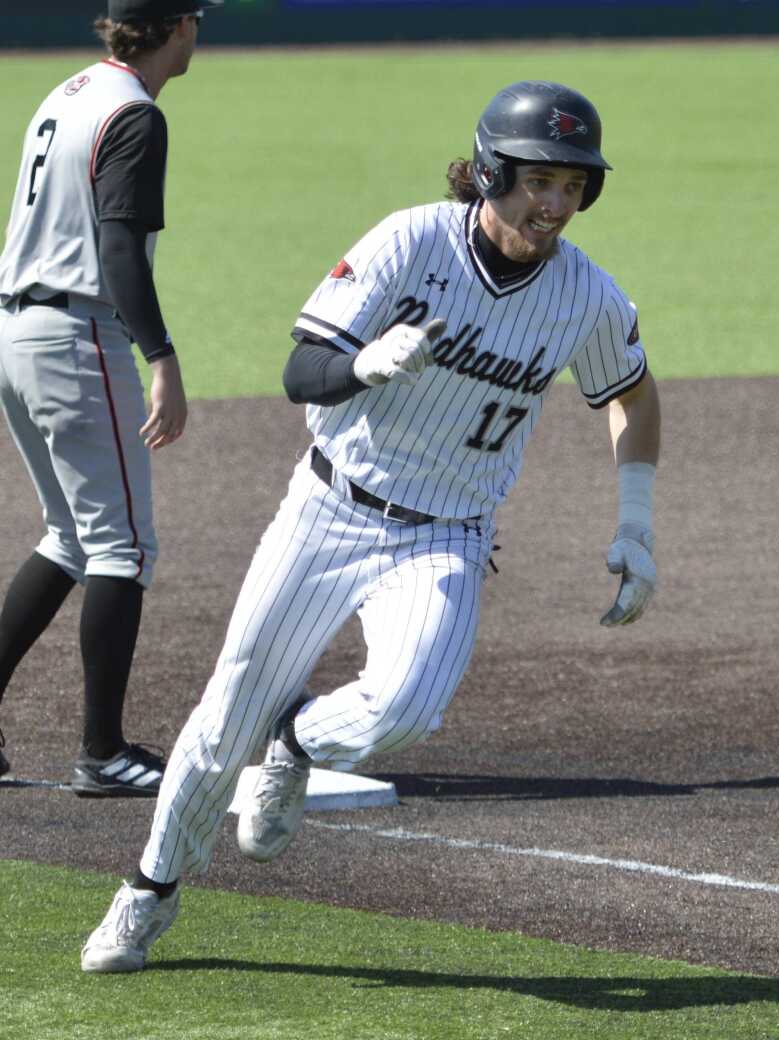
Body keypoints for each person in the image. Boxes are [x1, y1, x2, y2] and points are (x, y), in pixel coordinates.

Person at [81, 80, 661, 970]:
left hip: (449, 533)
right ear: (493, 171)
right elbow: (300, 370)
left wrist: (636, 521)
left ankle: (296, 738)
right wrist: (364, 363)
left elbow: (629, 390)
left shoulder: (585, 295)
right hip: (329, 508)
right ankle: (149, 889)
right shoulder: (411, 240)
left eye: (574, 186)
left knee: (405, 710)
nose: (556, 203)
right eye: (540, 180)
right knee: (221, 717)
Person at [0, 0, 221, 797]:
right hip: (74, 337)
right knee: (123, 548)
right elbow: (118, 244)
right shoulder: (134, 114)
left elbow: (40, 221)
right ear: (180, 26)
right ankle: (103, 752)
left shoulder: (70, 92)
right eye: (197, 16)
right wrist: (161, 355)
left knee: (70, 535)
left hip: (15, 328)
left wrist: (19, 348)